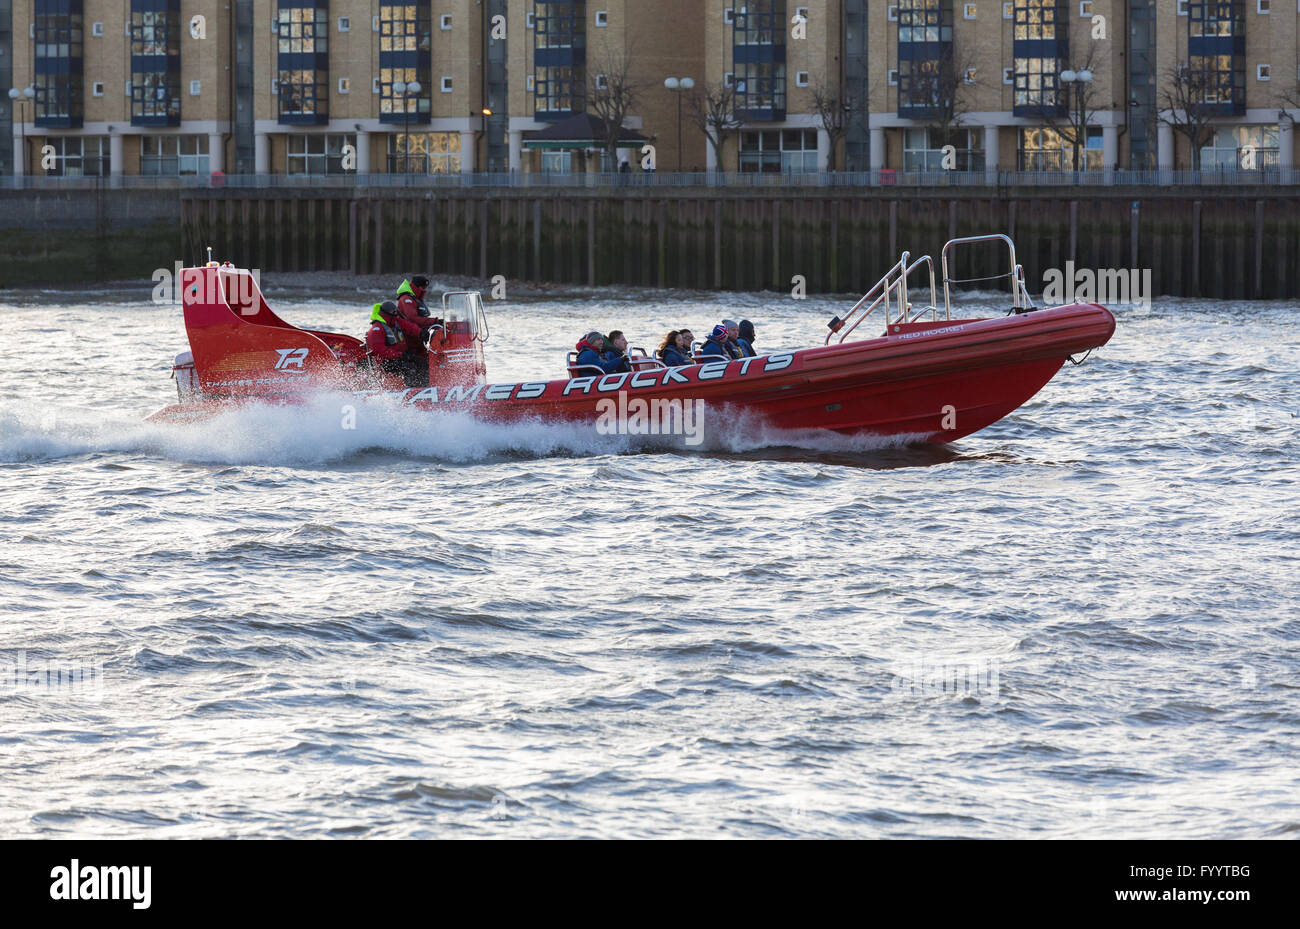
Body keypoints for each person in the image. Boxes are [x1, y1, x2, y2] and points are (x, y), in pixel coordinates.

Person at [367, 300, 436, 387]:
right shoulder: (376, 329)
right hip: (385, 362)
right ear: (386, 314)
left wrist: (420, 332)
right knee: (410, 367)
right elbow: (380, 351)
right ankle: (411, 388)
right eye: (393, 313)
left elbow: (409, 326)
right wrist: (400, 355)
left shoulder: (395, 321)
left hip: (400, 356)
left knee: (422, 362)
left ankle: (425, 385)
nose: (396, 314)